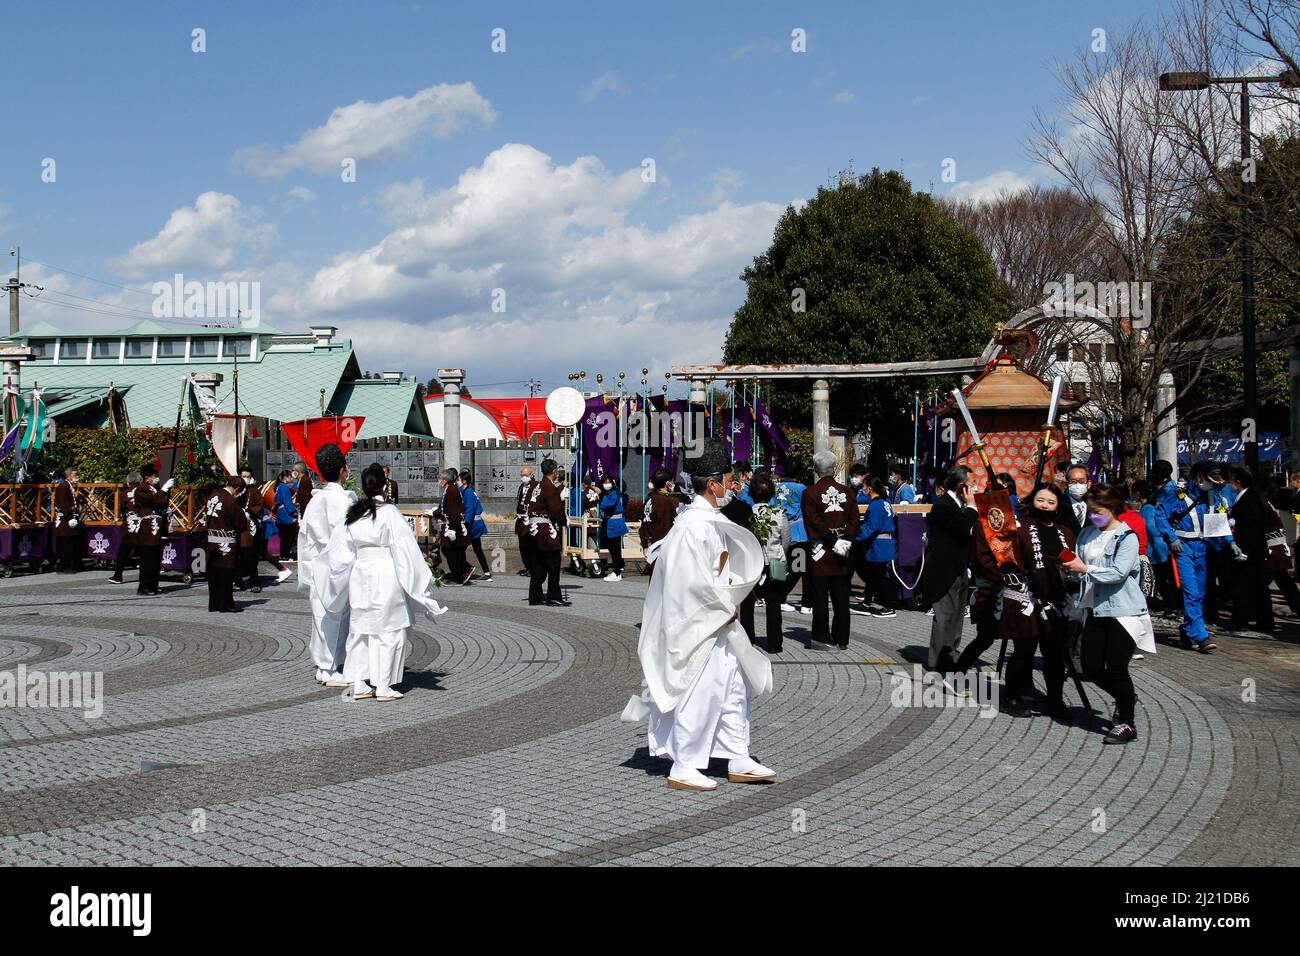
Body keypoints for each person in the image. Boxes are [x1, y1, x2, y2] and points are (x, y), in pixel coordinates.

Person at [620, 441, 776, 792]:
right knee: (701, 690)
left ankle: (736, 755)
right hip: (701, 624)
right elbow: (688, 581)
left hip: (722, 619)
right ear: (712, 483)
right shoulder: (693, 525)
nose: (733, 485)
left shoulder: (711, 520)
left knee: (735, 688)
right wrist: (723, 604)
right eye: (729, 479)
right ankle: (685, 763)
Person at [317, 463, 447, 702]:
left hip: (360, 572)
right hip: (385, 571)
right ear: (384, 486)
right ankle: (383, 684)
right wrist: (419, 581)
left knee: (360, 629)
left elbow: (341, 553)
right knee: (389, 629)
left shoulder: (354, 514)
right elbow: (405, 548)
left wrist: (338, 581)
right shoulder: (388, 513)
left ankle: (359, 682)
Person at [1061, 483, 1155, 744]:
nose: (1093, 516)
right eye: (1090, 511)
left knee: (1116, 667)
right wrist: (1069, 568)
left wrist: (1084, 569)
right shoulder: (1086, 534)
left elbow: (1118, 573)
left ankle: (1127, 722)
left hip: (1123, 610)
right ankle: (1125, 696)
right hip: (1094, 607)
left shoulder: (1127, 537)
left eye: (1097, 511)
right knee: (1090, 666)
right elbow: (1078, 563)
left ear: (1112, 508)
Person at [1001, 482, 1072, 719]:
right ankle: (1011, 697)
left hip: (1055, 598)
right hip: (1026, 597)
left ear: (1057, 505)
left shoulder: (1065, 531)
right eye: (1040, 500)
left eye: (1050, 502)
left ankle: (1055, 700)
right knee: (1024, 650)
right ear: (1032, 501)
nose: (1045, 505)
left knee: (1054, 653)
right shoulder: (1020, 527)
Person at [297, 445, 355, 686]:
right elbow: (348, 535)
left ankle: (325, 665)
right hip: (337, 565)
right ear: (343, 471)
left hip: (317, 564)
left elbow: (304, 537)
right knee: (337, 617)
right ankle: (330, 667)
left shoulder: (315, 500)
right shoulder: (341, 500)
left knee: (322, 616)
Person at [1226, 466, 1300, 631]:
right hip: (1265, 550)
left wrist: (1245, 550)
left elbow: (1253, 527)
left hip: (1265, 550)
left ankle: (1244, 620)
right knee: (1263, 586)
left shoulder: (1253, 500)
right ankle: (1262, 621)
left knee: (1252, 586)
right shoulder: (1256, 499)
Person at [801, 451, 861, 650]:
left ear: (816, 469)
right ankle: (841, 639)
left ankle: (821, 638)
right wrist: (844, 540)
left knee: (820, 596)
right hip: (843, 549)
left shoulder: (810, 493)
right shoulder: (848, 492)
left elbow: (814, 521)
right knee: (842, 596)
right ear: (835, 468)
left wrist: (831, 540)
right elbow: (855, 519)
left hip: (821, 550)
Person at [1156, 462, 1217, 653]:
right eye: (1208, 479)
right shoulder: (1175, 494)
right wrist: (1172, 538)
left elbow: (1218, 521)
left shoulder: (1211, 496)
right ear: (1199, 476)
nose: (1211, 483)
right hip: (1183, 548)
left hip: (1202, 548)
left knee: (1199, 593)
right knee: (1191, 592)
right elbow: (1160, 515)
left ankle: (1187, 629)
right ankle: (1201, 636)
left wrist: (1230, 542)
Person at [923, 466, 978, 673]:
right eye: (972, 484)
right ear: (961, 486)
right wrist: (972, 508)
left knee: (956, 616)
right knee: (945, 616)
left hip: (961, 568)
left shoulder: (962, 507)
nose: (975, 488)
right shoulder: (942, 506)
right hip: (944, 571)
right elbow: (962, 528)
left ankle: (951, 654)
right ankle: (937, 661)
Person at [740, 473, 790, 653]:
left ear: (751, 493)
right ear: (771, 494)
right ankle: (775, 643)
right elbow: (786, 541)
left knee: (747, 605)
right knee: (774, 604)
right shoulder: (779, 514)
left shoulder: (747, 514)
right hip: (774, 563)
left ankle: (747, 639)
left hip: (751, 564)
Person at [203, 474, 250, 613]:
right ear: (236, 489)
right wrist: (244, 515)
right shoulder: (229, 500)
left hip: (212, 539)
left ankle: (214, 603)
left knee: (214, 573)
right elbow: (239, 523)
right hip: (226, 541)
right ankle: (225, 604)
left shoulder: (213, 495)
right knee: (226, 573)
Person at [526, 457, 568, 606]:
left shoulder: (537, 485)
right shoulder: (548, 487)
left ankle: (535, 596)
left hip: (534, 530)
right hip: (544, 530)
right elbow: (555, 508)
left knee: (538, 564)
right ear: (554, 471)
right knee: (554, 563)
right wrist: (564, 520)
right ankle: (554, 596)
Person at [853, 478, 897, 617]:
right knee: (872, 575)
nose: (863, 489)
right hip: (883, 543)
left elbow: (871, 526)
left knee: (879, 576)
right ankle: (866, 603)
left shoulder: (875, 505)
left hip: (878, 544)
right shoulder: (885, 502)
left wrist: (855, 535)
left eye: (864, 487)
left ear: (870, 488)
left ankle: (889, 606)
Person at [128, 465, 172, 596]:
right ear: (147, 478)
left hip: (158, 526)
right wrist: (164, 490)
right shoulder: (141, 489)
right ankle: (144, 586)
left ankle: (154, 584)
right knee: (148, 558)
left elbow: (161, 502)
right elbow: (153, 500)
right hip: (148, 527)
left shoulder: (154, 489)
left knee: (156, 558)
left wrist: (165, 500)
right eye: (155, 476)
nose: (157, 478)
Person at [774, 472, 811, 615]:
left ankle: (802, 602)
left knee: (793, 568)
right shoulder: (801, 488)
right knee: (800, 570)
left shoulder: (776, 487)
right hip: (799, 533)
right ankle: (800, 602)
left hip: (783, 531)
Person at [435, 468, 472, 586]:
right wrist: (435, 513)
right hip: (450, 523)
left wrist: (452, 528)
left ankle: (458, 576)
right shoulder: (449, 489)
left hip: (452, 525)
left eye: (440, 479)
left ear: (445, 480)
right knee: (452, 550)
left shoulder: (451, 491)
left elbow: (454, 511)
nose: (439, 481)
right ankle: (461, 572)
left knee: (450, 550)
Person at [639, 468, 678, 578]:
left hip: (651, 545)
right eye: (672, 481)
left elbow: (644, 524)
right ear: (668, 483)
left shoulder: (650, 499)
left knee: (654, 583)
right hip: (663, 547)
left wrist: (645, 544)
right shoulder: (667, 501)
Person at [109, 470, 141, 584]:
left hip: (129, 523)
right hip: (144, 523)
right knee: (145, 550)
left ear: (128, 483)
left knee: (123, 550)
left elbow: (122, 509)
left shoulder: (124, 494)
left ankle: (118, 575)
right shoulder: (145, 491)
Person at [460, 470, 492, 581]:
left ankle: (465, 569)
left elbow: (469, 509)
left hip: (472, 525)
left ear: (463, 481)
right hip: (475, 523)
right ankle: (486, 572)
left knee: (460, 548)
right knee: (477, 549)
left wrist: (465, 523)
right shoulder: (469, 491)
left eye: (459, 480)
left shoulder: (468, 492)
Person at [53, 467, 83, 573]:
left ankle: (71, 564)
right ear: (69, 475)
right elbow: (63, 504)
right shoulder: (63, 487)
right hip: (65, 520)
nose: (77, 477)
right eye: (75, 475)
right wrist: (71, 511)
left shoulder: (70, 487)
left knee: (71, 543)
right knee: (66, 544)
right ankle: (63, 566)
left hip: (70, 518)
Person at [598, 476, 627, 581]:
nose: (607, 484)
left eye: (608, 482)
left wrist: (600, 495)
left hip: (615, 524)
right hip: (609, 523)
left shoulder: (614, 493)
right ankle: (617, 569)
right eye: (605, 482)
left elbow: (607, 505)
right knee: (612, 548)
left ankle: (617, 572)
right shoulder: (608, 494)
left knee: (615, 549)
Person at [514, 466, 535, 578]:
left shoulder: (536, 486)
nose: (524, 477)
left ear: (531, 475)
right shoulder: (521, 486)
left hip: (530, 519)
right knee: (522, 545)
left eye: (526, 475)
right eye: (522, 475)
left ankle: (533, 568)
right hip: (520, 519)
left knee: (530, 545)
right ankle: (527, 567)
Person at [274, 471, 299, 562]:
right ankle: (286, 555)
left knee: (284, 537)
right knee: (289, 537)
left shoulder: (279, 486)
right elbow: (287, 502)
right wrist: (293, 512)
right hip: (286, 515)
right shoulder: (284, 487)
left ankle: (283, 555)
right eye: (290, 477)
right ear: (286, 477)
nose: (291, 479)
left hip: (280, 514)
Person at [1059, 463, 1090, 534]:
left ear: (1088, 483)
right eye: (1073, 482)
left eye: (1082, 482)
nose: (1077, 485)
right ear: (1067, 484)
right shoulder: (1060, 505)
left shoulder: (1097, 505)